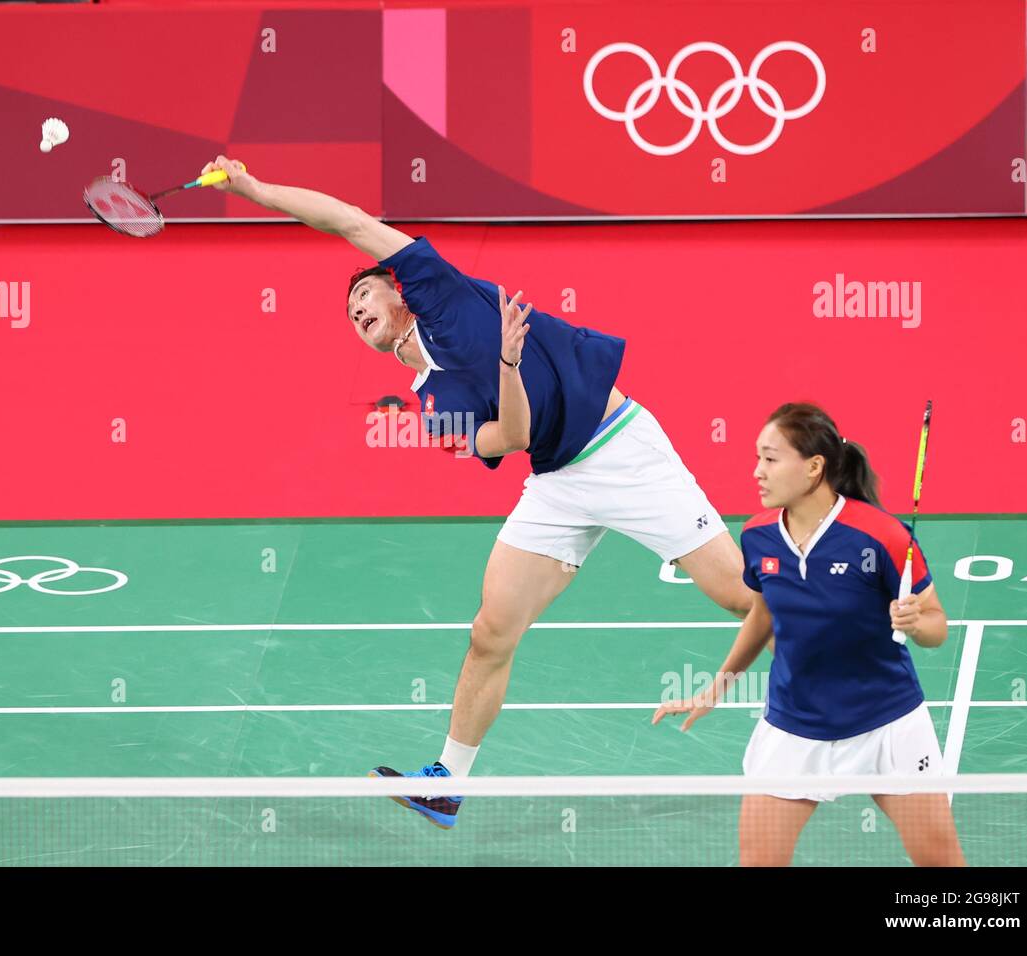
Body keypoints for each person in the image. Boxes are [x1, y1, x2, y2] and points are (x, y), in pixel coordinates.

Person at [201, 155, 758, 829]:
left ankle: (851, 616)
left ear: (397, 291)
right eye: (350, 315)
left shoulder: (434, 287)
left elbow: (344, 220)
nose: (357, 312)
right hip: (556, 477)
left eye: (365, 298)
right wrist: (510, 365)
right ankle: (446, 783)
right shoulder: (432, 402)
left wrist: (256, 192)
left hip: (620, 446)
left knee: (741, 598)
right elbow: (512, 436)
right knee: (490, 629)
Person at [654, 402, 965, 866]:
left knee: (941, 862)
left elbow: (937, 628)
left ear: (814, 467)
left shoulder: (882, 537)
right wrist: (715, 688)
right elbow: (762, 615)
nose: (756, 471)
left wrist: (917, 622)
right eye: (758, 457)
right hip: (794, 726)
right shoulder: (758, 536)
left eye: (770, 458)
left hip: (887, 724)